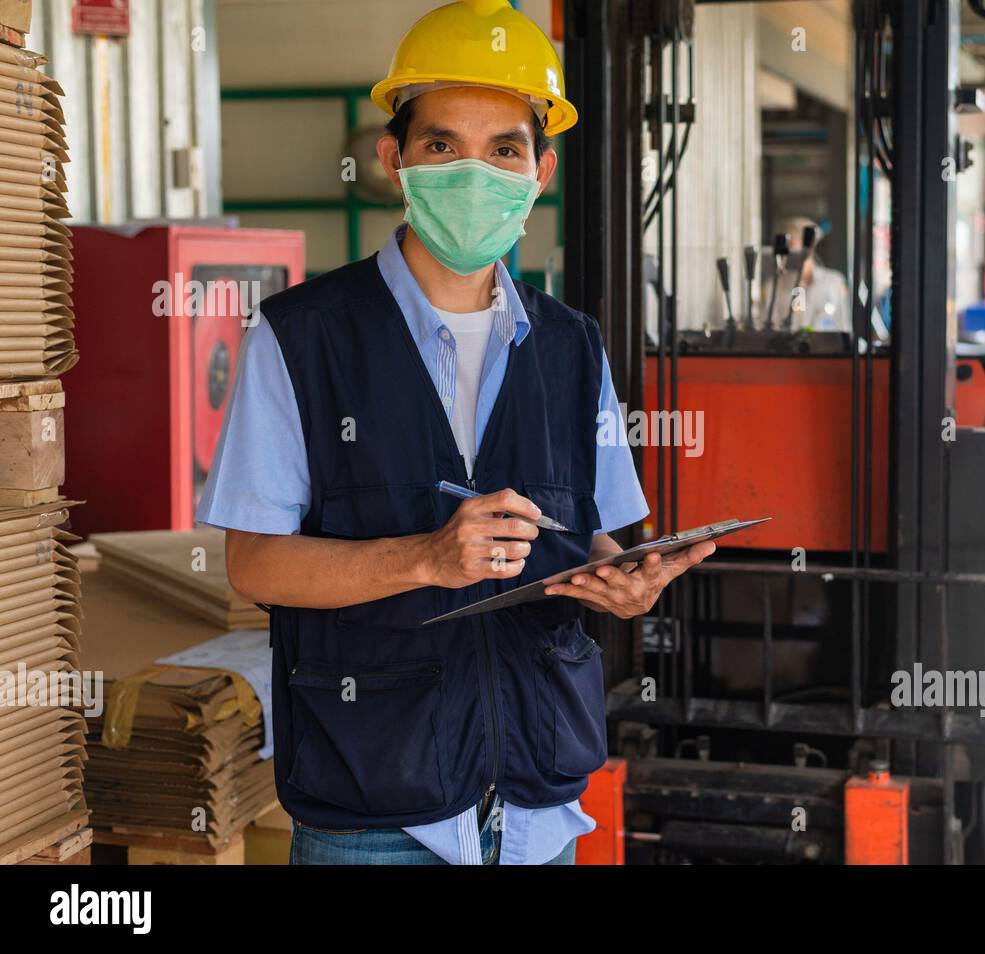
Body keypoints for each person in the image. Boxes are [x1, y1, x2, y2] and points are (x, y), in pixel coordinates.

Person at [197, 0, 714, 865]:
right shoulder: (301, 336)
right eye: (442, 145)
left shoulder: (571, 344)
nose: (474, 172)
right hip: (374, 812)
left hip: (539, 806)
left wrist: (623, 581)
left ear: (540, 169)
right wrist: (426, 559)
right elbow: (255, 564)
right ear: (395, 159)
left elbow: (591, 534)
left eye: (503, 149)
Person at [776, 215, 851, 333]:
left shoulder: (834, 282)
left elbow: (843, 326)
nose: (790, 252)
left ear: (810, 246)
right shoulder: (776, 286)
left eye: (793, 245)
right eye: (787, 246)